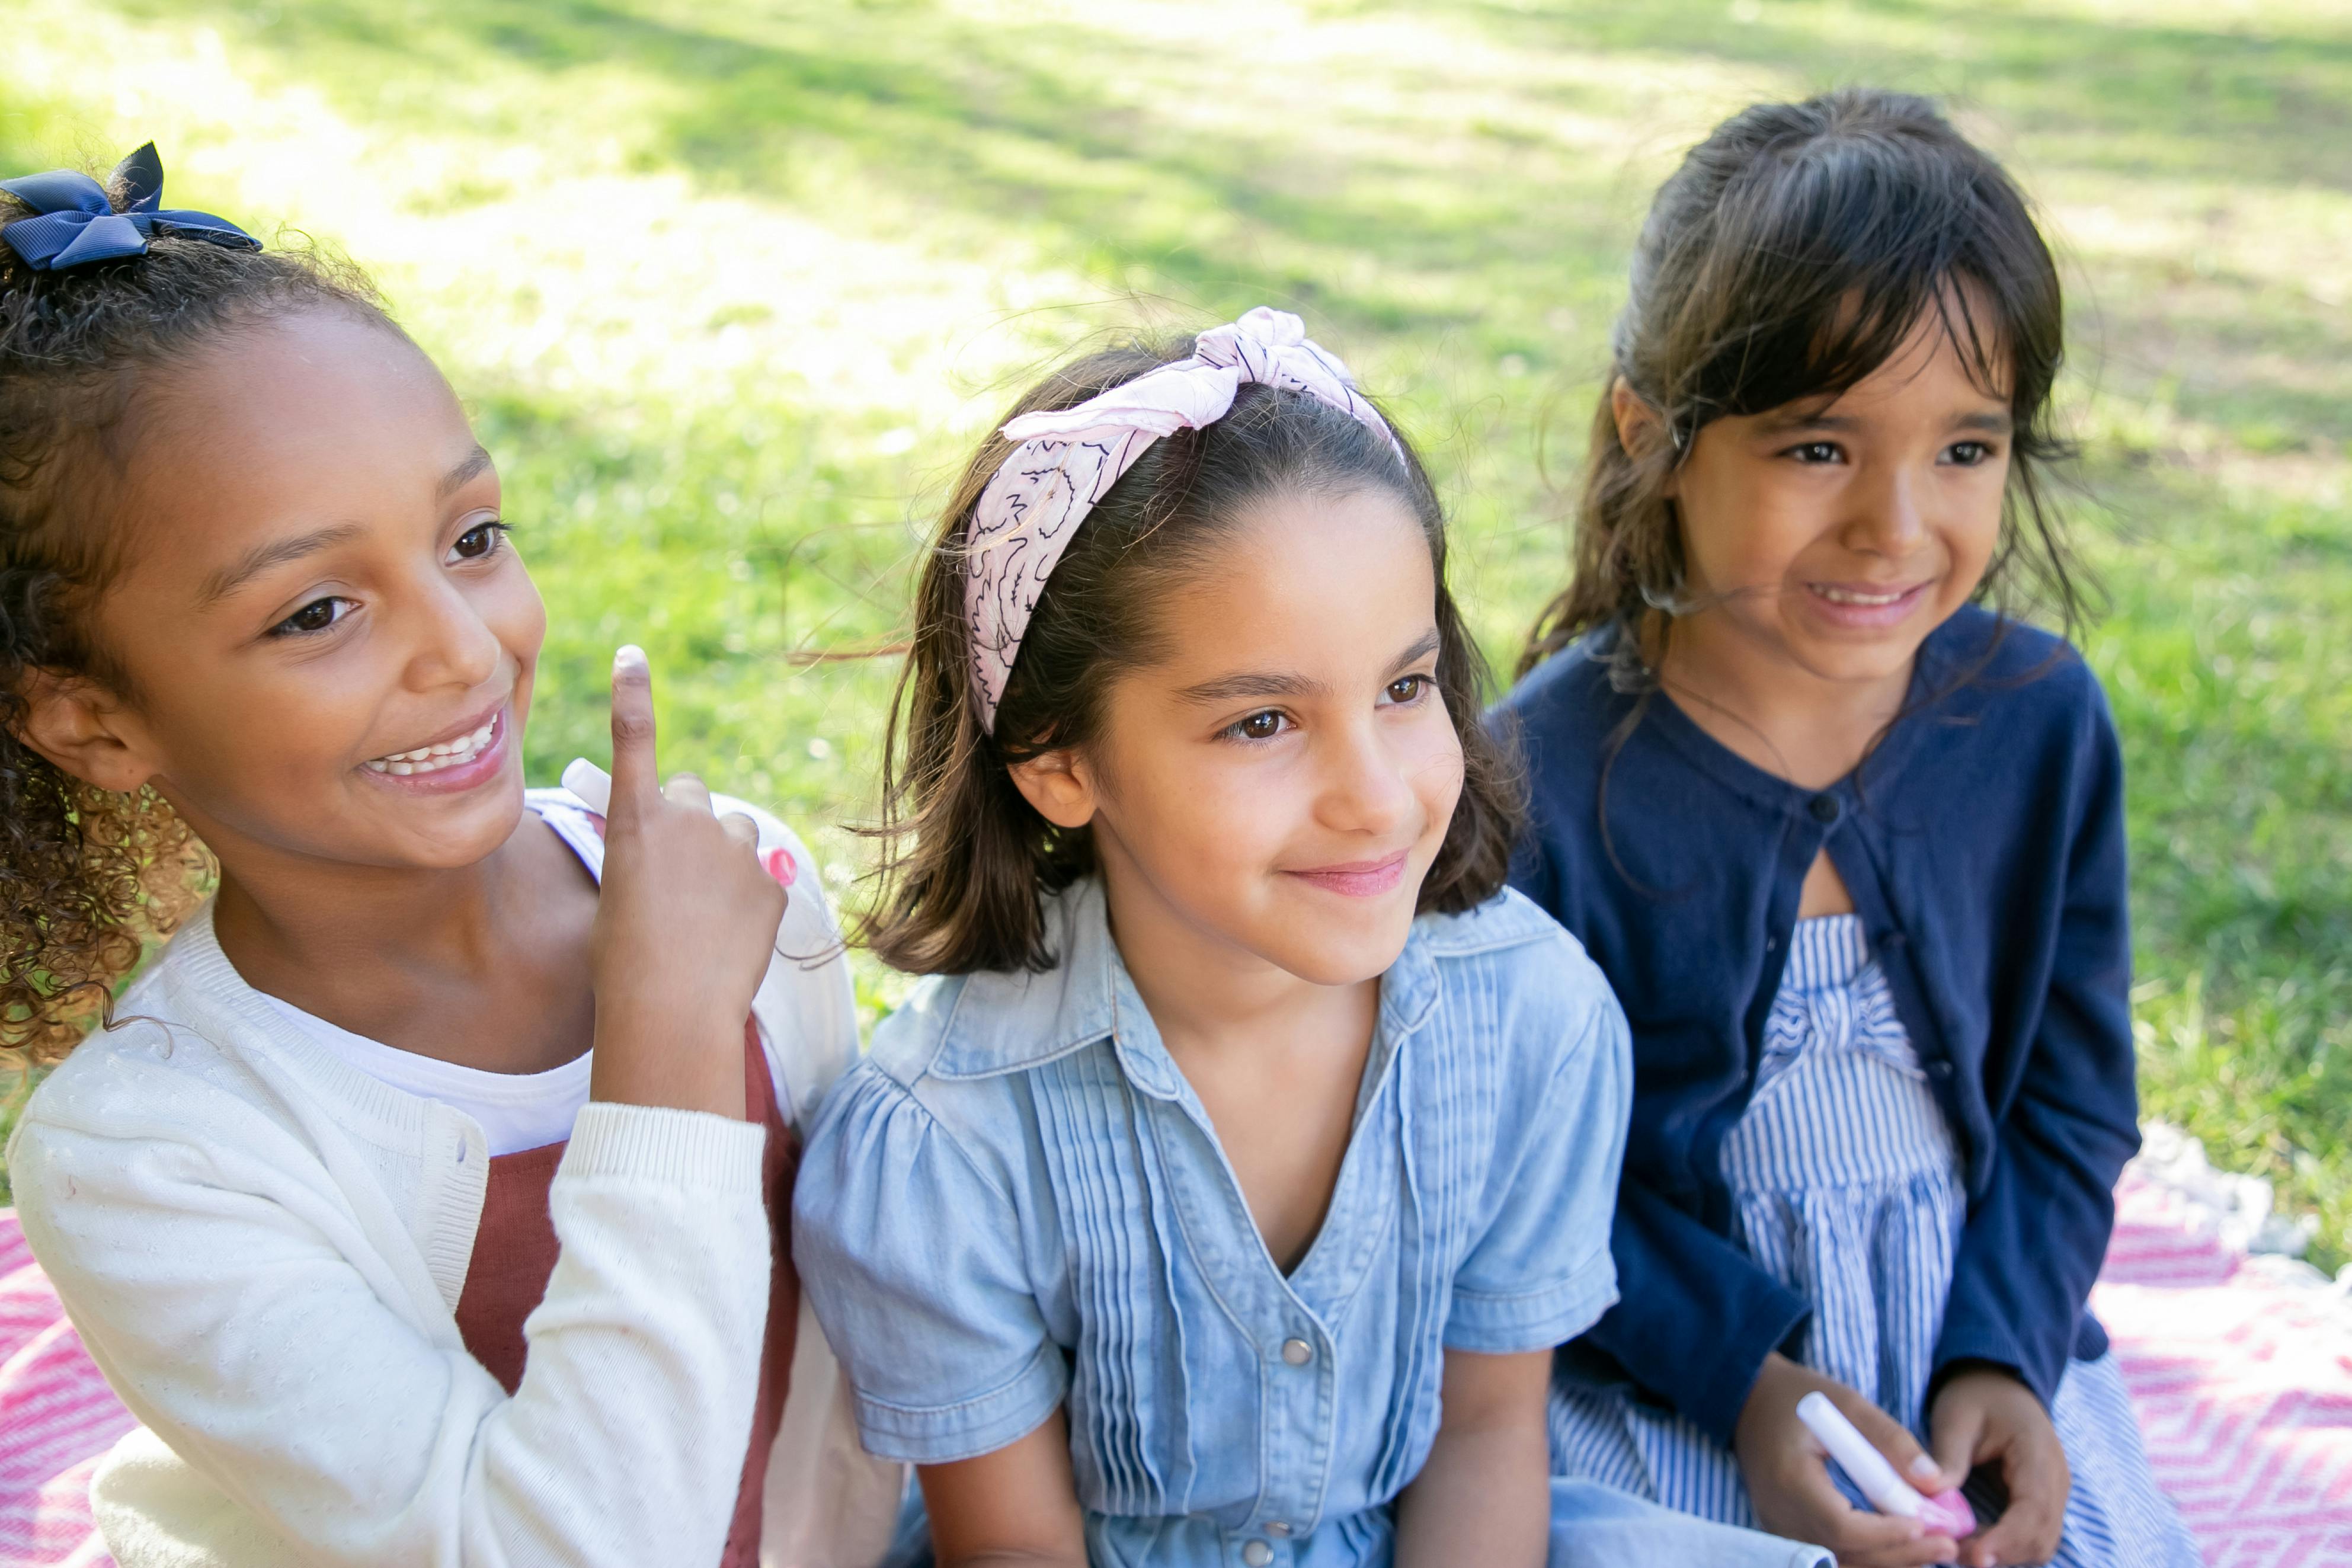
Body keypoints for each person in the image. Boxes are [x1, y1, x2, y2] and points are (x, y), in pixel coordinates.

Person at [792, 306, 1835, 1568]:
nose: (1376, 798)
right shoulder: (942, 1144)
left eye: (1403, 689)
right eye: (1261, 723)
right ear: (1057, 763)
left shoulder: (1531, 1021)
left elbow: (1484, 1434)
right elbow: (1013, 1548)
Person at [0, 146, 899, 1567]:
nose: (468, 651)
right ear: (96, 722)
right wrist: (667, 1047)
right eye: (316, 613)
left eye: (471, 537)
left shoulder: (742, 888)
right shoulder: (148, 1156)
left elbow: (872, 1334)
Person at [1500, 91, 2199, 1568]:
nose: (1894, 523)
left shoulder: (2038, 723)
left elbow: (2071, 1105)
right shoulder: (1535, 785)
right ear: (1652, 434)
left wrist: (2005, 1360)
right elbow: (1518, 1183)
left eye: (1964, 448)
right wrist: (1752, 1392)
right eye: (1817, 448)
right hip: (1665, 1375)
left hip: (1970, 1350)